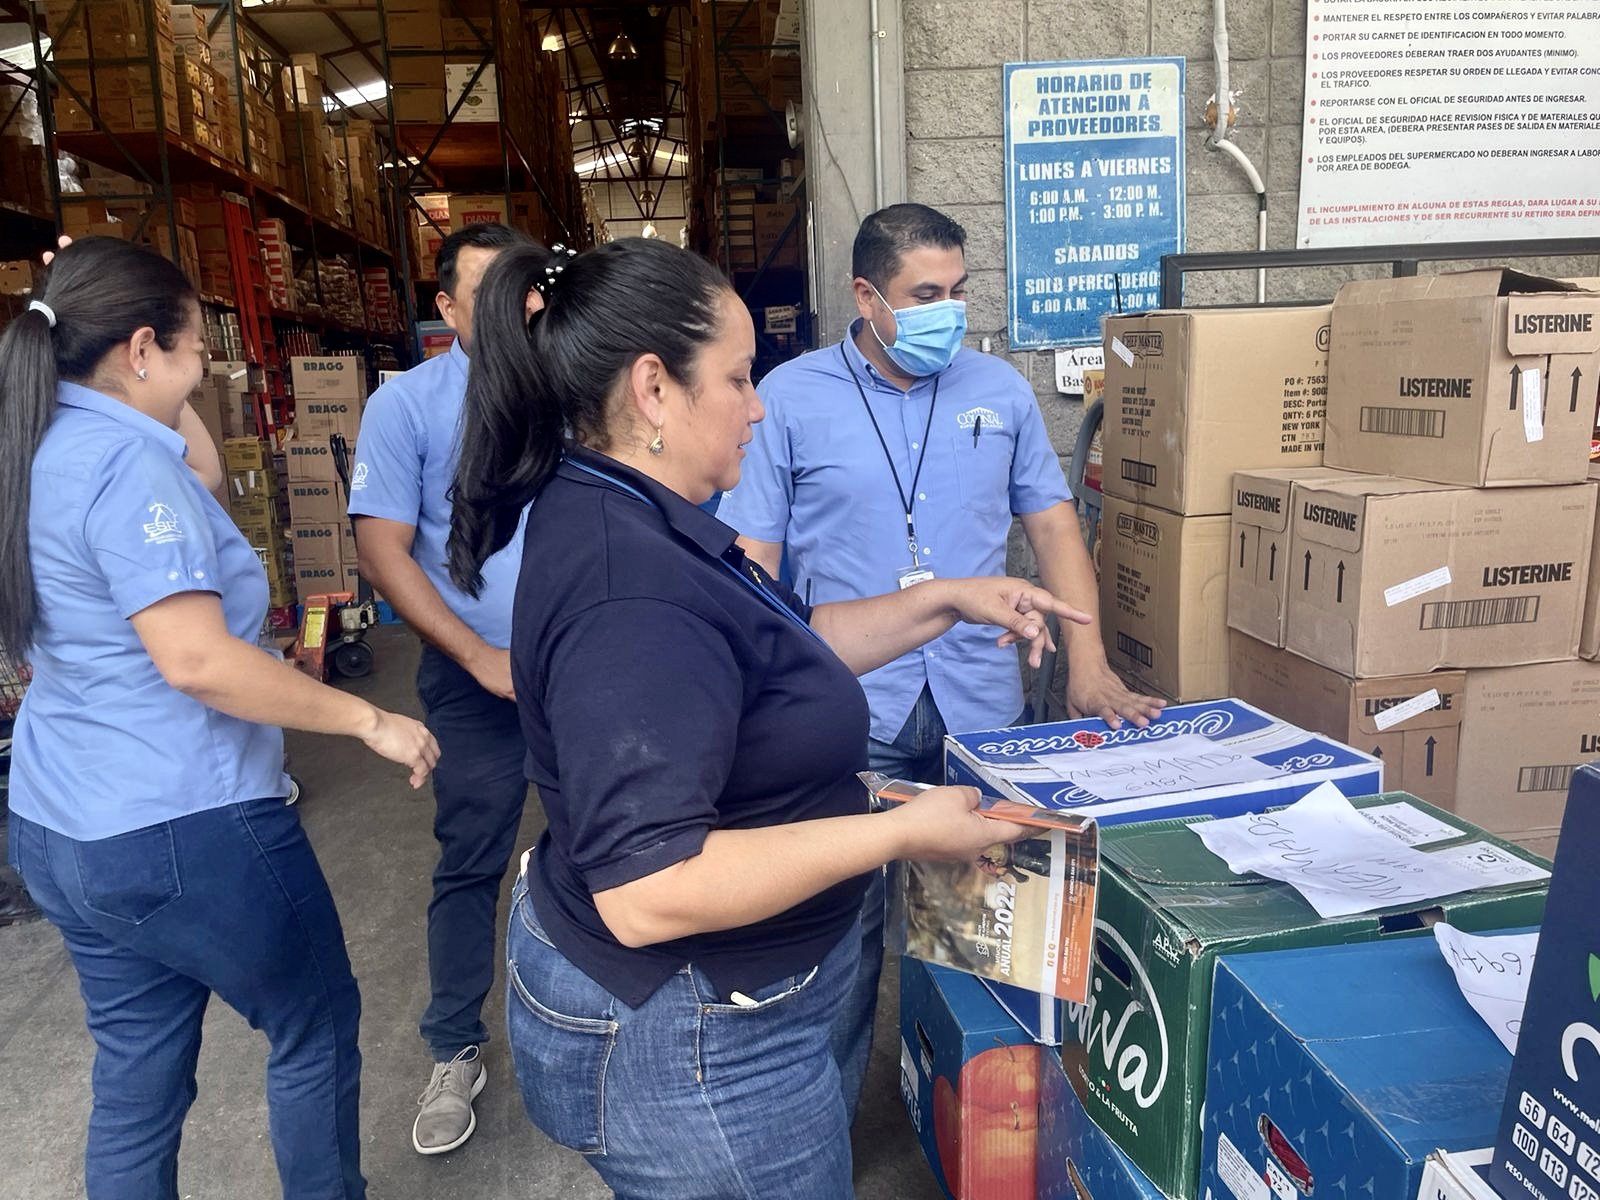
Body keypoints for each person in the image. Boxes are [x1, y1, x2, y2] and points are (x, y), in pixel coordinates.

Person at [446, 236, 1089, 1198]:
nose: (757, 406)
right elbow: (650, 889)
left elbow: (786, 652)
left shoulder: (645, 514)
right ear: (654, 389)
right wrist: (902, 831)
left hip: (724, 1005)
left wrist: (947, 599)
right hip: (692, 1042)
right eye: (739, 378)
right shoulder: (630, 592)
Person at [0, 236, 438, 1199]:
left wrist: (138, 345)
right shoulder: (125, 465)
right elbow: (198, 662)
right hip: (179, 821)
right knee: (314, 1022)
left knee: (138, 1076)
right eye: (198, 352)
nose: (206, 374)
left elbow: (196, 470)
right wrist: (369, 721)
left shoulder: (41, 441)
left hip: (62, 826)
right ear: (140, 349)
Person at [715, 202, 1167, 1117]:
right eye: (926, 294)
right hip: (851, 711)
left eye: (959, 291)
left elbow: (1054, 529)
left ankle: (972, 1119)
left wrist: (1088, 662)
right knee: (839, 942)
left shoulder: (998, 391)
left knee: (984, 930)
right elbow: (752, 567)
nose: (948, 312)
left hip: (982, 707)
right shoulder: (789, 399)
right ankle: (826, 1128)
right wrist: (753, 702)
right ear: (867, 296)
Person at [348, 222, 549, 1154]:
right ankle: (454, 1045)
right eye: (495, 292)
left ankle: (618, 1017)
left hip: (584, 669)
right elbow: (382, 550)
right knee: (472, 854)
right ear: (447, 309)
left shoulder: (574, 384)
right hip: (477, 677)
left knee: (619, 838)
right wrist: (476, 656)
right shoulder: (407, 408)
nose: (522, 307)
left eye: (530, 288)